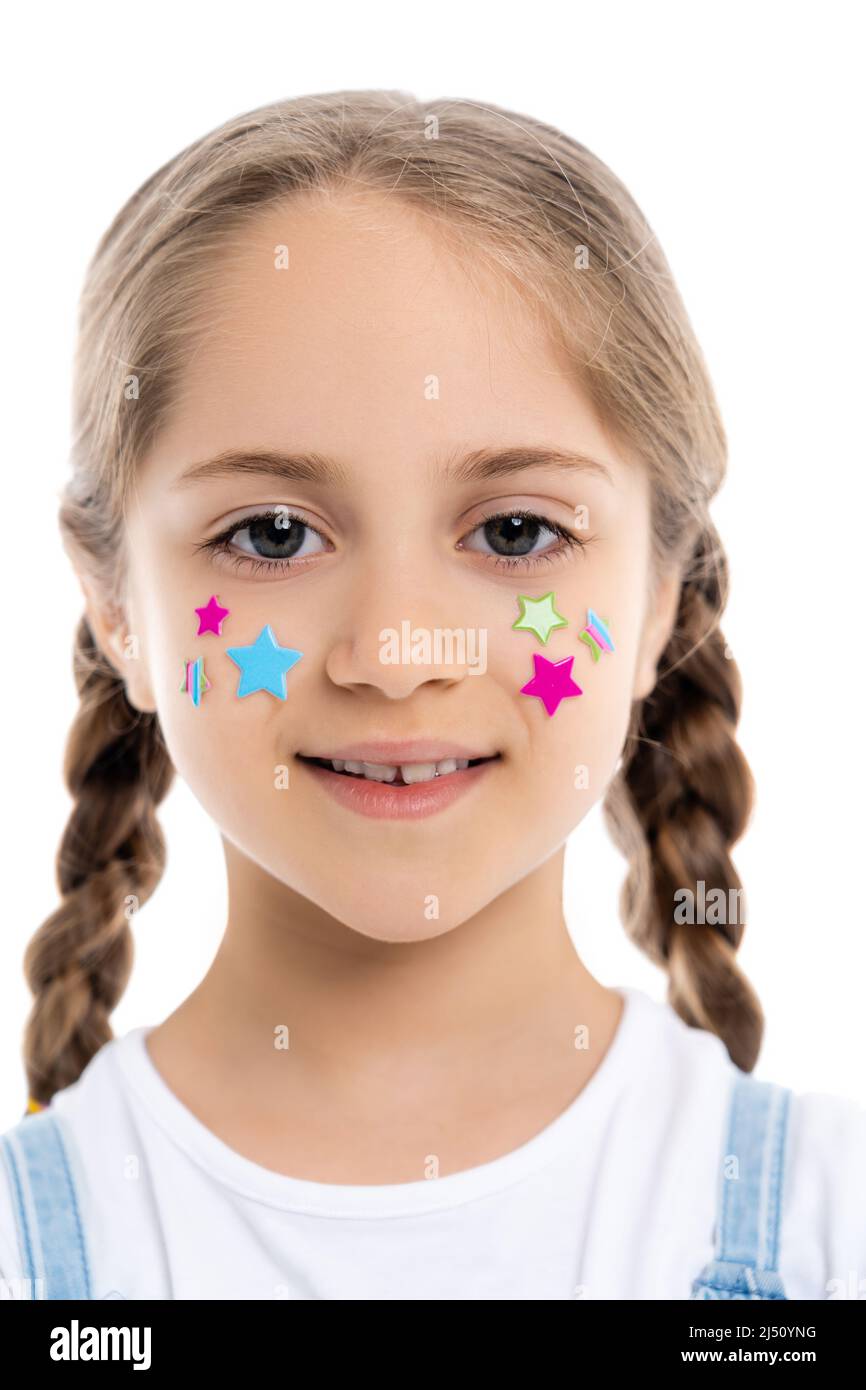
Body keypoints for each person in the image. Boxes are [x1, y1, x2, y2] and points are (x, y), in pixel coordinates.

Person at [1, 91, 863, 1301]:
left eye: (515, 529)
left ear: (661, 588)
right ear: (113, 602)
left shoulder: (833, 1228)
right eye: (272, 532)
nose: (396, 651)